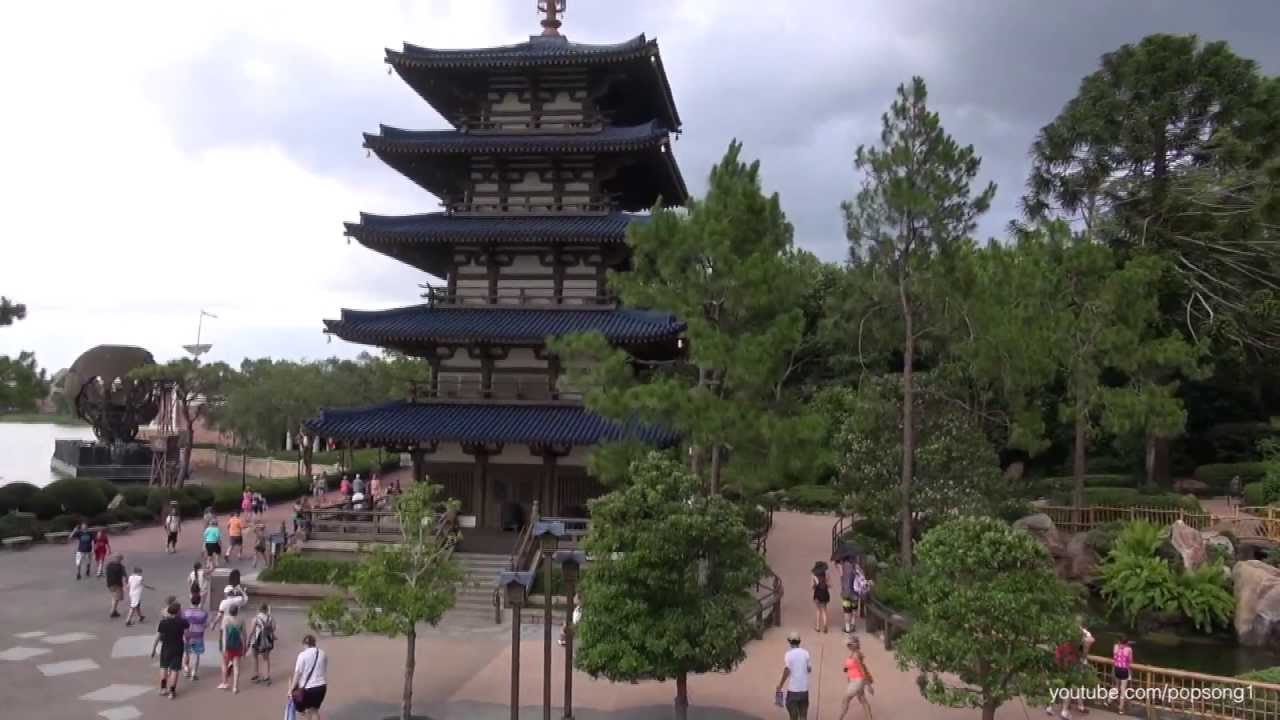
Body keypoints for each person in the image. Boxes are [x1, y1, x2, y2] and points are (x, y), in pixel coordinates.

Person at [151, 601, 189, 699]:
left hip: (166, 647)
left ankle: (163, 689)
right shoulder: (183, 622)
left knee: (164, 667)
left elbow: (158, 637)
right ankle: (172, 691)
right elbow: (187, 635)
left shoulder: (163, 623)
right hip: (178, 647)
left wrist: (153, 649)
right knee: (175, 669)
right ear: (178, 611)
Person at [290, 635, 328, 720]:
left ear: (304, 644)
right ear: (314, 643)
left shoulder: (302, 655)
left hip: (308, 688)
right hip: (321, 686)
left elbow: (297, 673)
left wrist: (291, 689)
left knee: (304, 711)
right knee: (314, 711)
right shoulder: (322, 653)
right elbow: (324, 669)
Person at [836, 636, 874, 720]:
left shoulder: (856, 655)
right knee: (863, 701)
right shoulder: (853, 653)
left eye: (849, 644)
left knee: (845, 700)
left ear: (854, 645)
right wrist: (847, 668)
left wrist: (869, 686)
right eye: (847, 644)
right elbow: (851, 666)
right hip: (854, 681)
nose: (847, 646)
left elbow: (862, 670)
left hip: (857, 681)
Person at [776, 631, 811, 720]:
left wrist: (780, 685)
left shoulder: (788, 654)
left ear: (789, 642)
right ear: (800, 641)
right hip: (804, 689)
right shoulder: (806, 653)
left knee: (793, 716)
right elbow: (809, 669)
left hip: (793, 690)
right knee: (803, 715)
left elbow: (787, 670)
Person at [181, 593, 209, 681]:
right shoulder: (203, 613)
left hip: (187, 635)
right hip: (198, 635)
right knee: (196, 655)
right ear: (199, 601)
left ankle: (186, 669)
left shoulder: (185, 612)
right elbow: (206, 624)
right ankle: (194, 673)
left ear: (191, 601)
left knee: (186, 653)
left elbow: (182, 624)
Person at [218, 605, 245, 693]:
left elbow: (224, 635)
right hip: (237, 645)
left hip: (228, 646)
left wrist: (224, 648)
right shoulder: (241, 620)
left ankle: (224, 682)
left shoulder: (226, 619)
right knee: (237, 667)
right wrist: (244, 646)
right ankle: (235, 687)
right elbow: (244, 634)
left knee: (224, 664)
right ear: (237, 611)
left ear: (229, 611)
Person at [249, 603, 277, 684]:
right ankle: (266, 676)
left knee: (255, 657)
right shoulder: (271, 618)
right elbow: (274, 628)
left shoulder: (255, 619)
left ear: (259, 609)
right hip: (268, 640)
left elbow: (252, 631)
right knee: (266, 659)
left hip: (257, 641)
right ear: (266, 609)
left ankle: (256, 674)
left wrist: (248, 640)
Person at [1113, 637, 1133, 714]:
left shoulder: (1115, 647)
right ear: (1126, 643)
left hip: (1117, 668)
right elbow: (1130, 660)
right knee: (1123, 689)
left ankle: (1108, 700)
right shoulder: (1129, 649)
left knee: (1116, 686)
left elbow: (1114, 657)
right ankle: (1120, 708)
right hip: (1124, 670)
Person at [105, 554, 126, 619]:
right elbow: (125, 576)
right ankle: (112, 611)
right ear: (120, 559)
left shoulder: (108, 565)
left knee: (114, 596)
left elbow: (106, 573)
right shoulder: (121, 567)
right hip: (117, 584)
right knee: (116, 598)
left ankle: (114, 610)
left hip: (109, 583)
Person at [812, 562, 831, 633]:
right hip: (825, 593)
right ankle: (825, 625)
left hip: (817, 593)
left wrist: (815, 585)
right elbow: (829, 585)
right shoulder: (826, 574)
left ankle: (817, 627)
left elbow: (812, 586)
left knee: (818, 610)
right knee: (824, 610)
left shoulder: (814, 575)